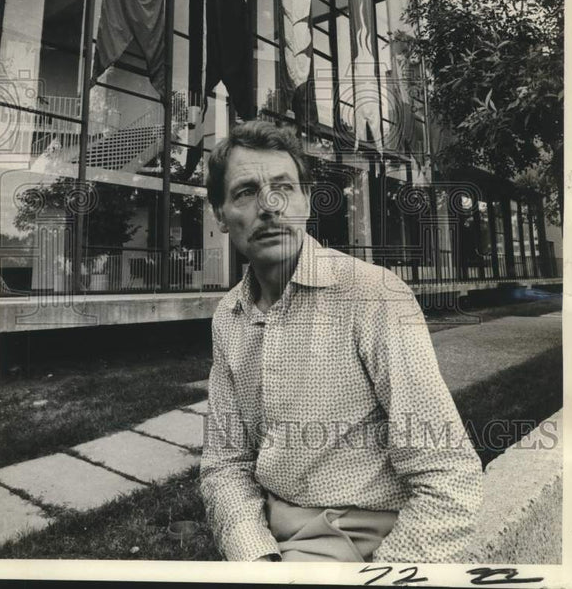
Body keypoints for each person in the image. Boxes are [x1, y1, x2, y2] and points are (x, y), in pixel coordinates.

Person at [199, 120, 482, 563]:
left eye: (284, 188)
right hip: (272, 535)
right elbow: (224, 465)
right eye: (246, 192)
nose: (270, 205)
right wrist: (255, 557)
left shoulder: (373, 295)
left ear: (307, 202)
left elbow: (449, 478)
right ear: (218, 214)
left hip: (360, 535)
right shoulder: (228, 318)